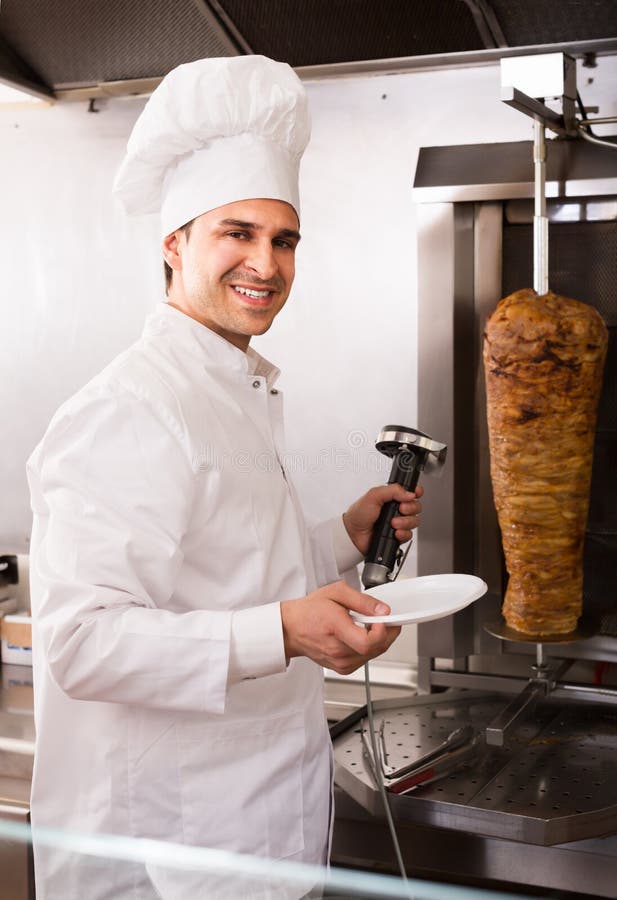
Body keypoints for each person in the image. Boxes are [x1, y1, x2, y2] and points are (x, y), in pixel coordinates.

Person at [27, 56, 422, 900]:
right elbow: (81, 643)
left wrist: (341, 539)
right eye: (235, 234)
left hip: (250, 828)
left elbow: (225, 569)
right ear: (174, 245)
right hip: (164, 854)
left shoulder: (237, 388)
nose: (266, 264)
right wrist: (285, 631)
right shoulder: (130, 406)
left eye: (282, 240)